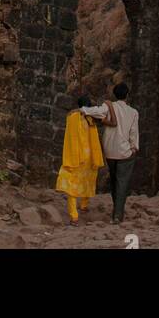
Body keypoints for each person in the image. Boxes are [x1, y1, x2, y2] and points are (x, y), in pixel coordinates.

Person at [81, 82, 139, 223]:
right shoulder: (133, 112)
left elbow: (96, 111)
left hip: (110, 151)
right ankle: (117, 215)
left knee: (114, 181)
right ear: (127, 95)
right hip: (124, 152)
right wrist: (134, 148)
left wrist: (82, 109)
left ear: (114, 94)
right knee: (122, 183)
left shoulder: (109, 106)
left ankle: (116, 209)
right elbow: (133, 133)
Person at [55, 94, 104, 223]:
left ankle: (74, 216)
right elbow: (103, 114)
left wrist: (76, 111)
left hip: (75, 155)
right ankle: (84, 205)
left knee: (72, 183)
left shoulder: (72, 117)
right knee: (88, 179)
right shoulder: (91, 119)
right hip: (89, 156)